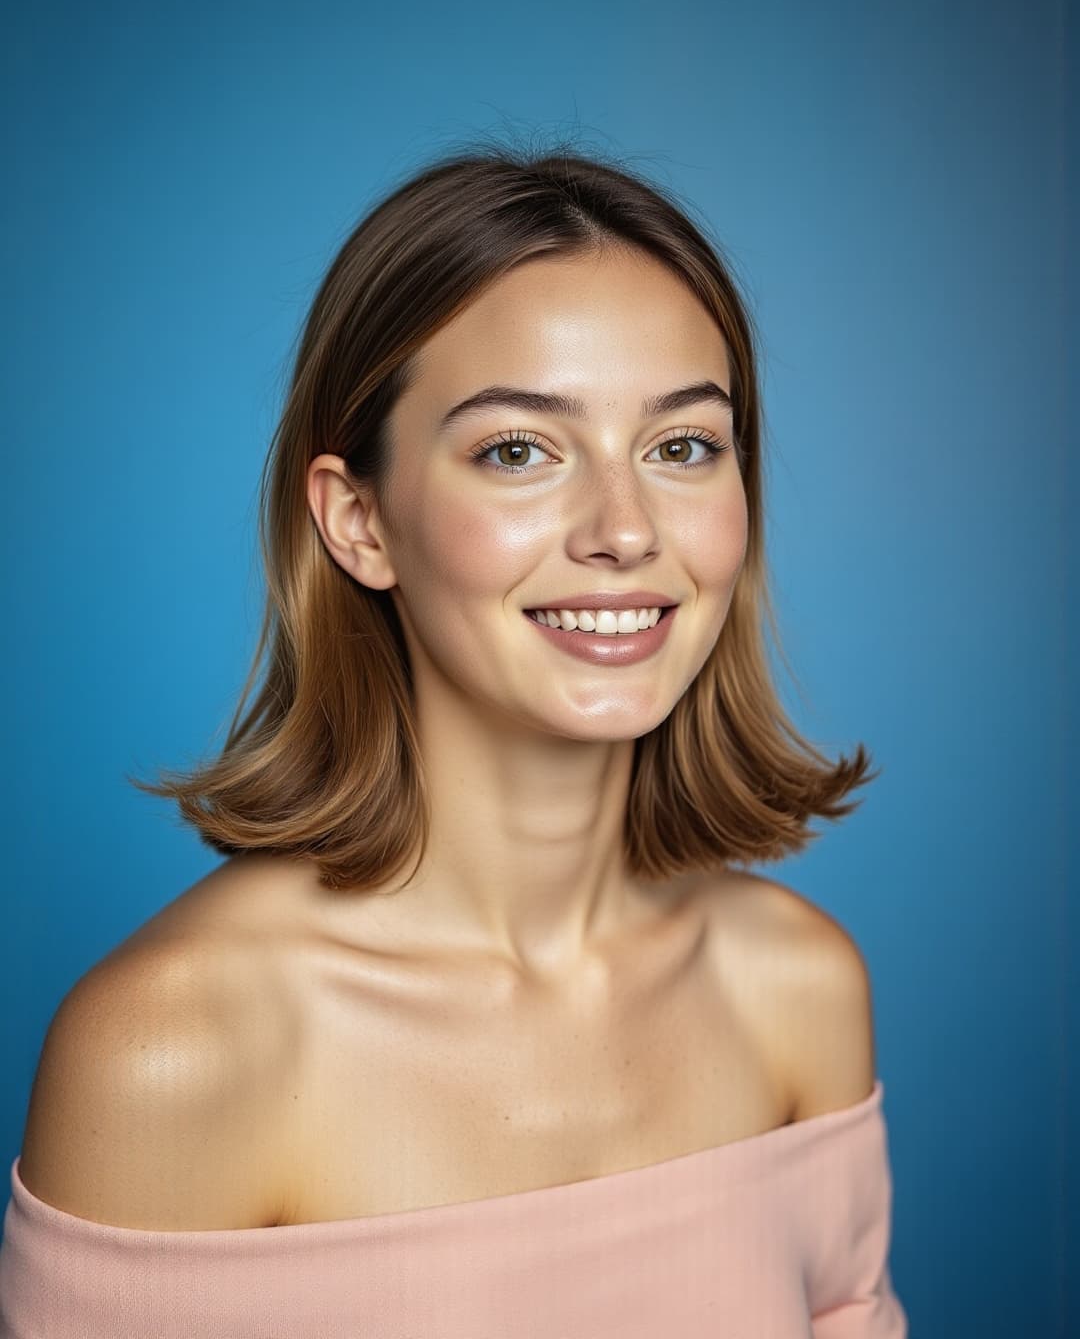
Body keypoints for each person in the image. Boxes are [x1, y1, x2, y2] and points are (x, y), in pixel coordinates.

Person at [0, 143, 907, 1336]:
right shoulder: (171, 1053)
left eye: (683, 445)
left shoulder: (798, 988)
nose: (625, 532)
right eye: (518, 450)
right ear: (358, 521)